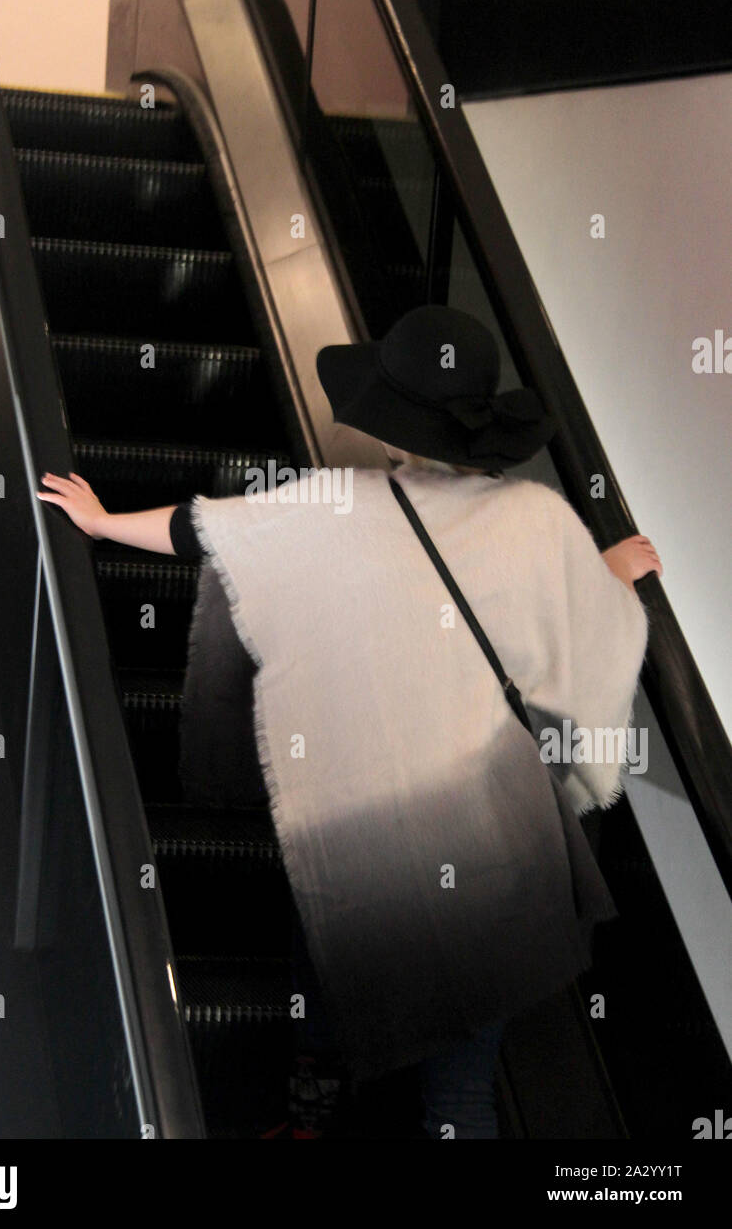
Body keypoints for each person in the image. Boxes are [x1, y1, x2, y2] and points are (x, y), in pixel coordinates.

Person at [37, 304, 660, 1139]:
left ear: (393, 422)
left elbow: (207, 531)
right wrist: (612, 573)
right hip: (498, 845)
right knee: (461, 1094)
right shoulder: (539, 523)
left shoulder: (331, 505)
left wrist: (103, 521)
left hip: (359, 829)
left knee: (323, 1003)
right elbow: (591, 631)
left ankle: (308, 1123)